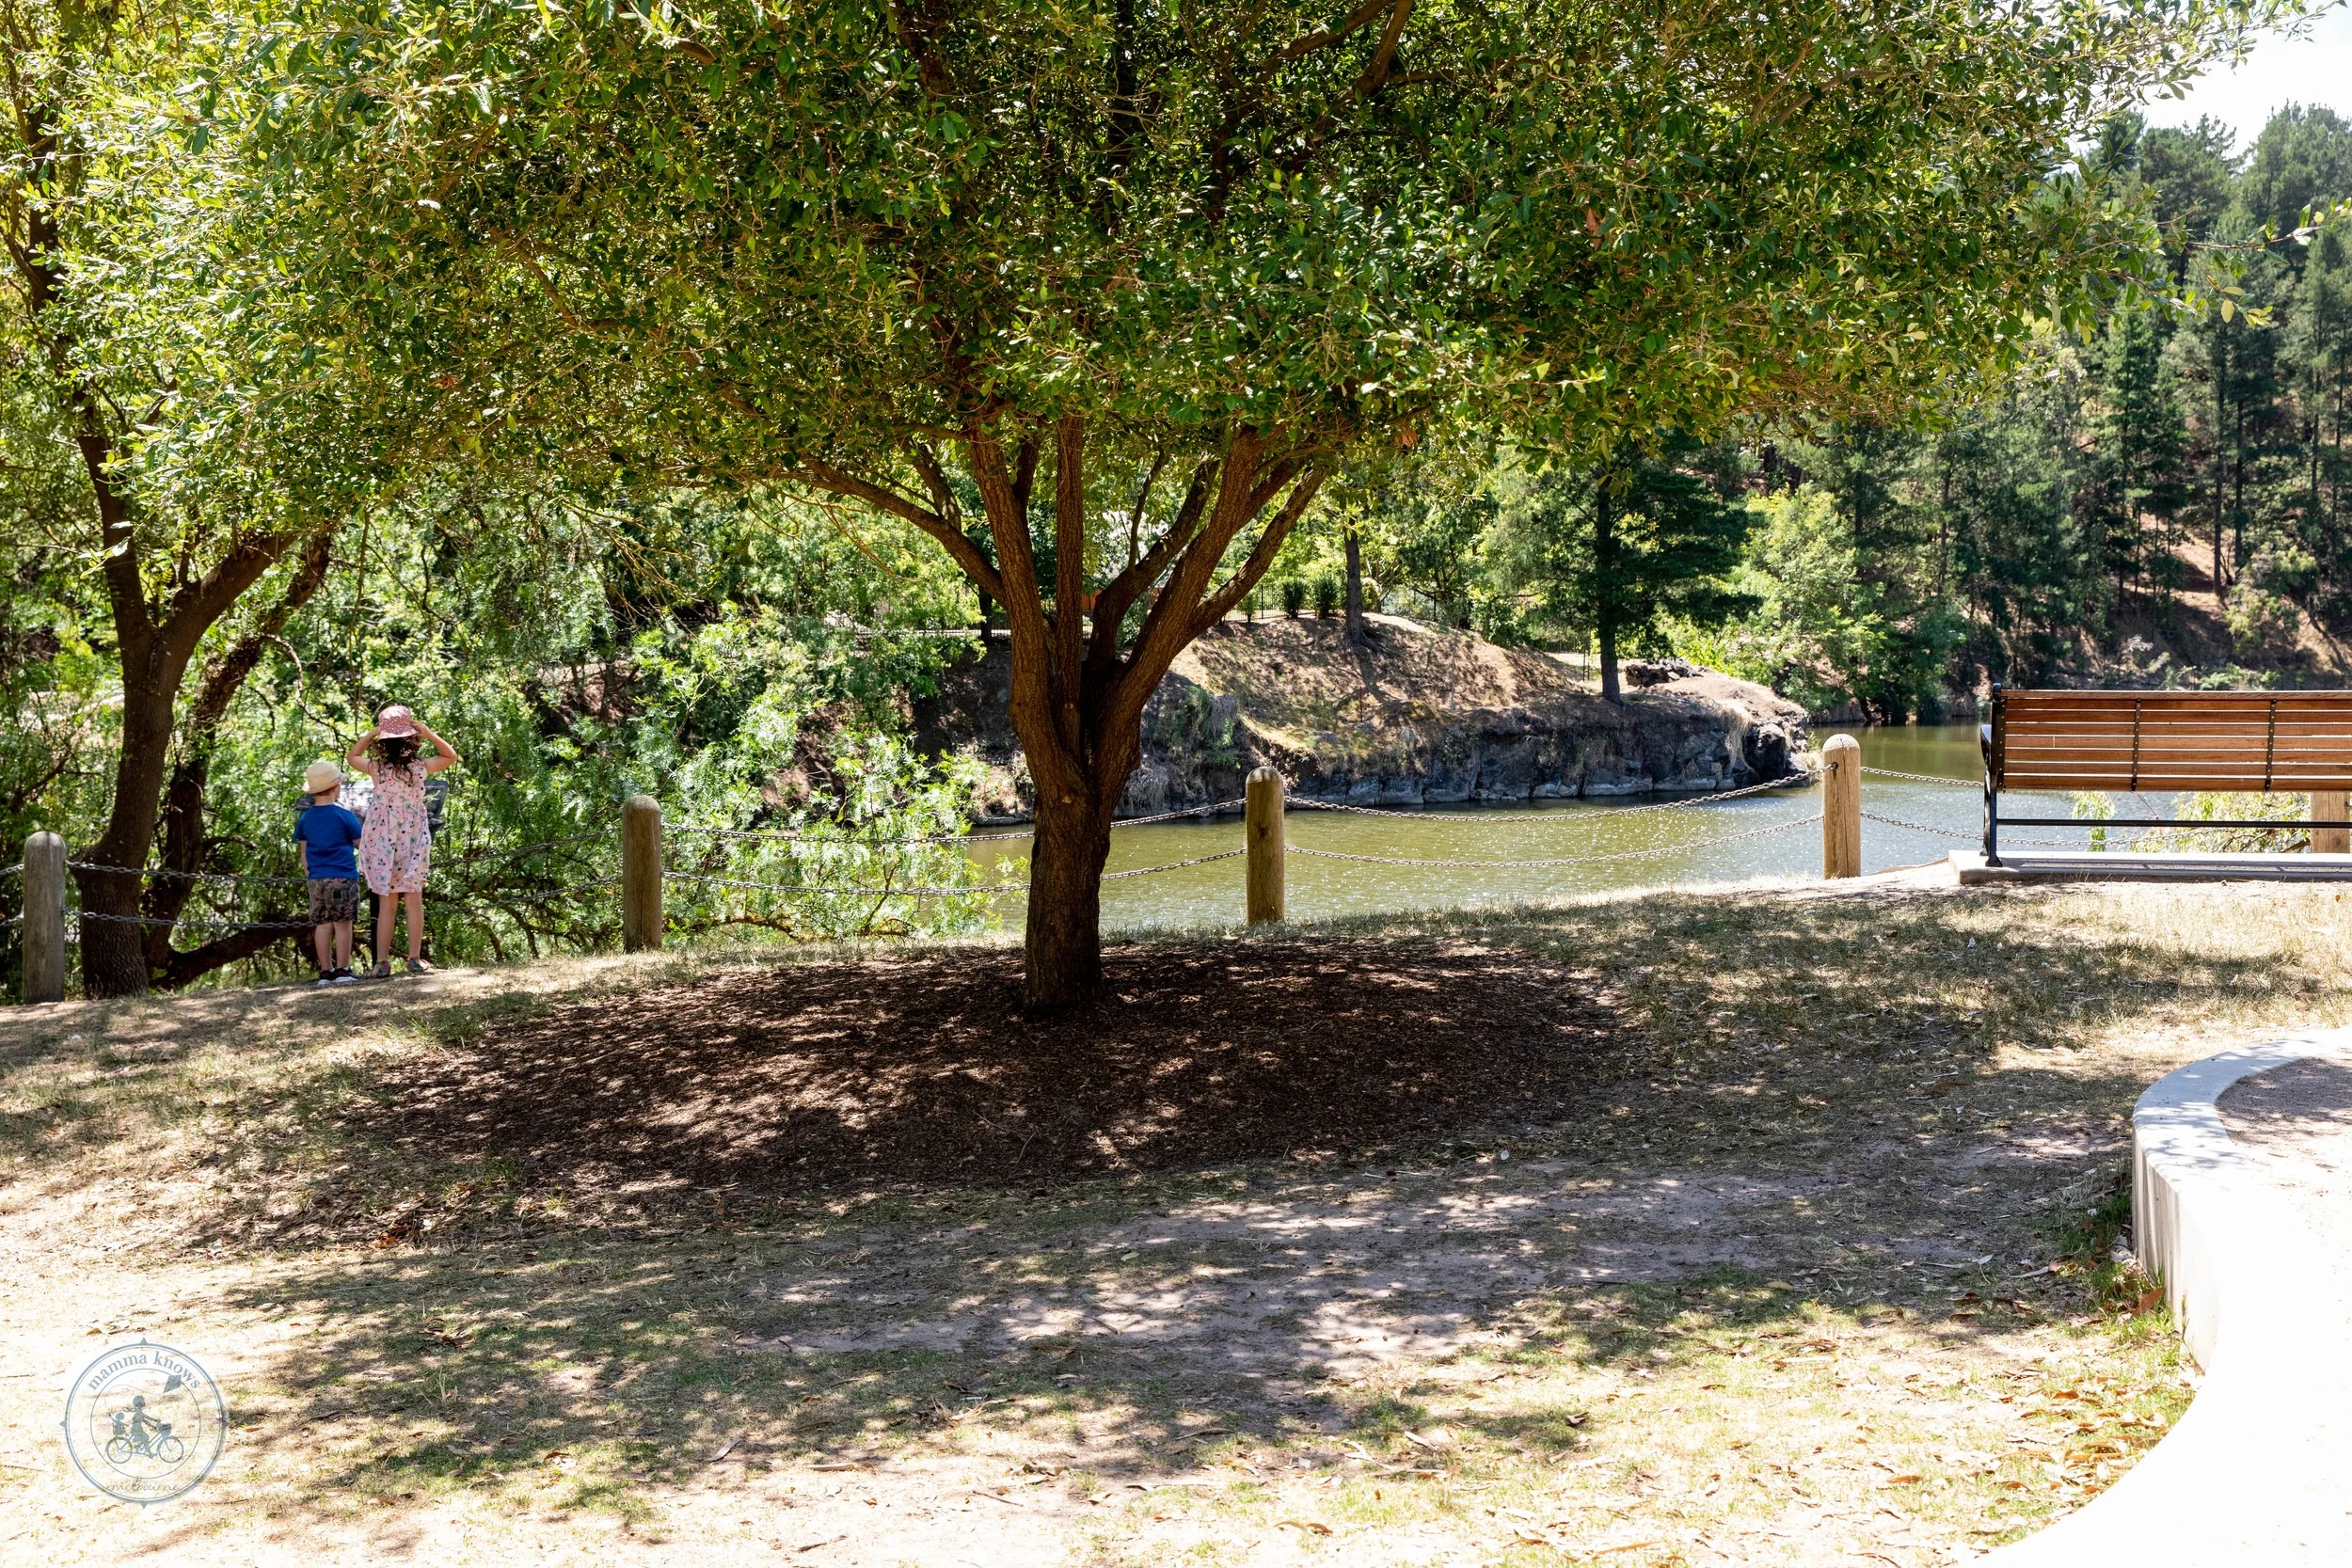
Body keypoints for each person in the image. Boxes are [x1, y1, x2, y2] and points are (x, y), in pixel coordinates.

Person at [347, 705, 461, 978]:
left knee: (387, 902)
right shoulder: (420, 767)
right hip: (411, 837)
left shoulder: (376, 768)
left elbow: (352, 757)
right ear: (412, 737)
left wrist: (372, 733)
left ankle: (382, 963)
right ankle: (414, 958)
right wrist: (430, 734)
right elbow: (451, 756)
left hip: (383, 839)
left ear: (383, 741)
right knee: (413, 898)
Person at [293, 760, 364, 985]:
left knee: (322, 923)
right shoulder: (344, 816)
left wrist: (309, 872)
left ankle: (326, 971)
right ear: (336, 787)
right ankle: (343, 969)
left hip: (316, 878)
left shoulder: (305, 817)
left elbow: (303, 849)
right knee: (343, 922)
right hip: (342, 876)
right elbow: (361, 844)